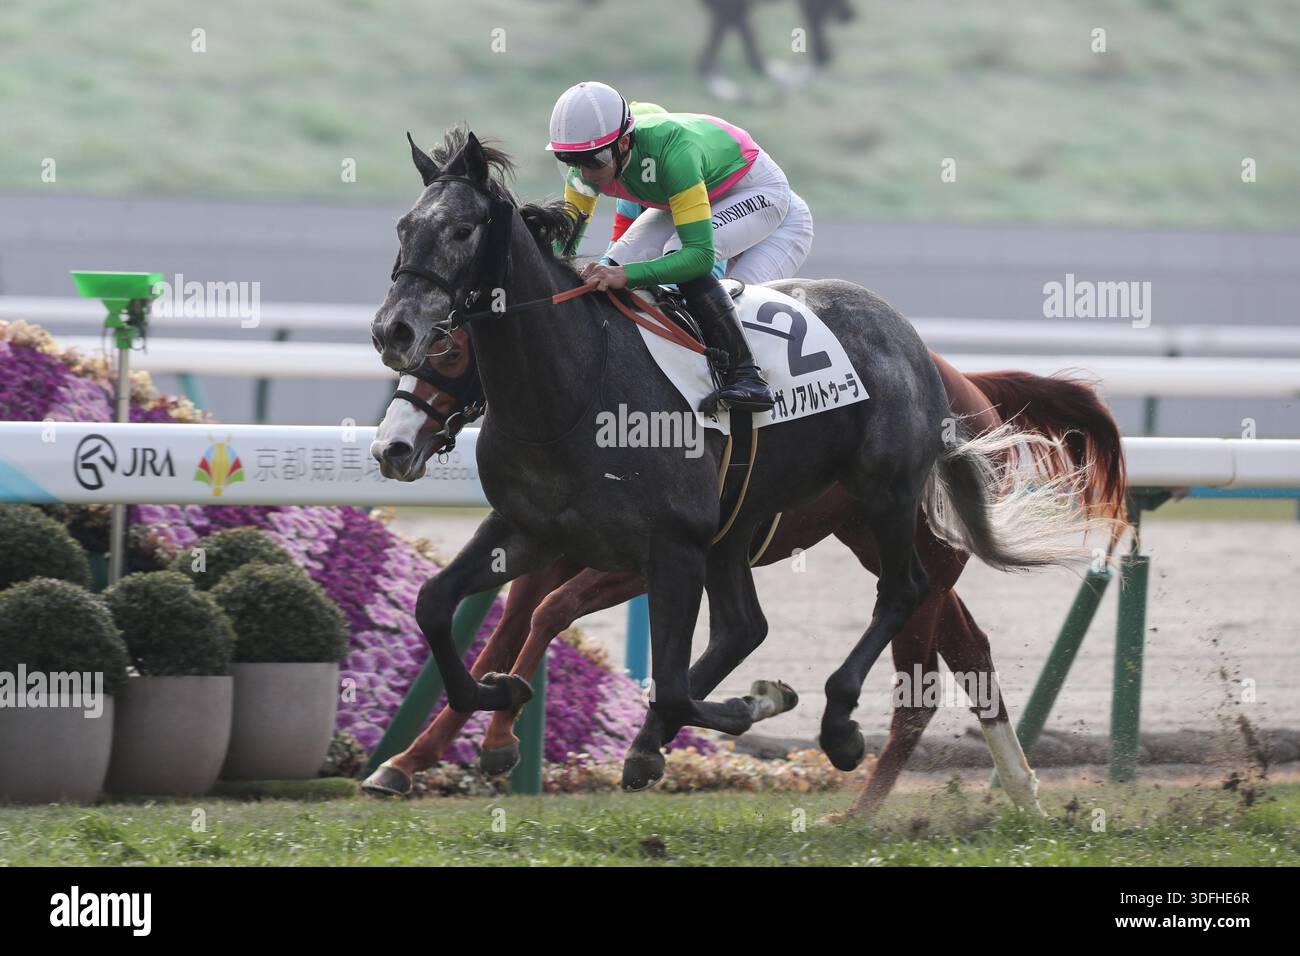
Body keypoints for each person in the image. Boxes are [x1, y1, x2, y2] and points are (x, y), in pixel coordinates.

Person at [547, 82, 814, 413]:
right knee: (613, 259)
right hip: (697, 195)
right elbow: (564, 244)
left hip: (759, 194)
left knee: (681, 258)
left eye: (595, 161)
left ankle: (748, 377)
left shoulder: (673, 152)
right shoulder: (588, 164)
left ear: (625, 142)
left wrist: (625, 275)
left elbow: (699, 258)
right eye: (572, 161)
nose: (587, 174)